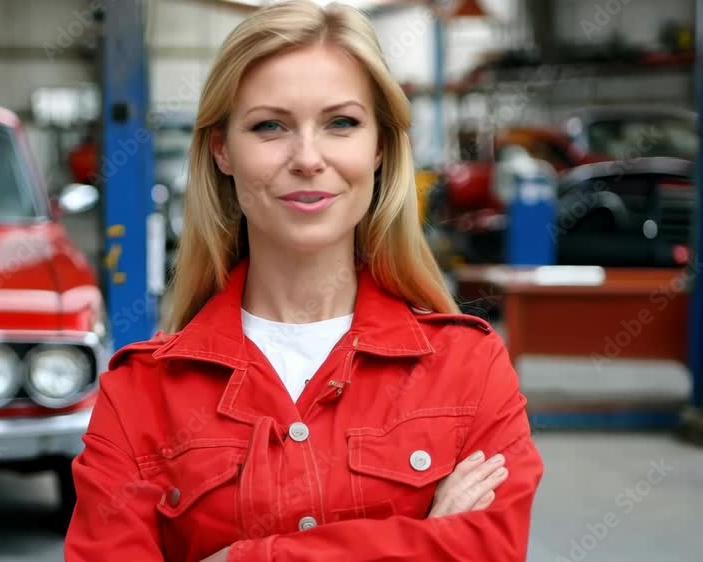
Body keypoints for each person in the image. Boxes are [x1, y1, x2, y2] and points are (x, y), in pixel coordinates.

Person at [64, 1, 544, 560]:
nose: (308, 158)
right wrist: (427, 542)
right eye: (270, 126)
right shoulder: (140, 394)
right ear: (222, 149)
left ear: (380, 147)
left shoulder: (468, 369)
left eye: (341, 123)